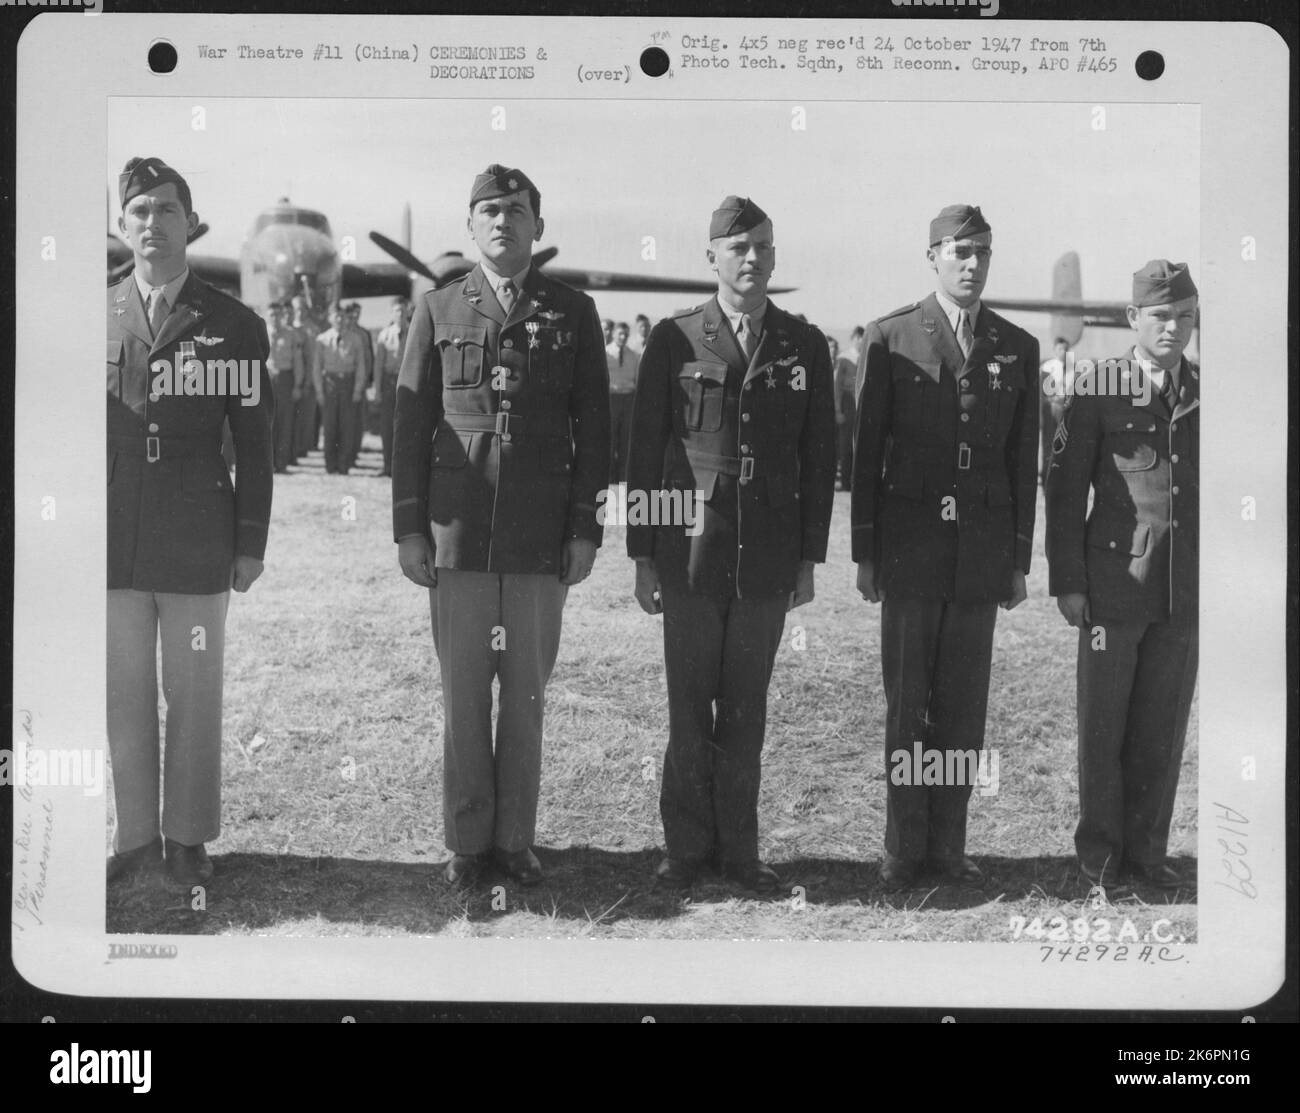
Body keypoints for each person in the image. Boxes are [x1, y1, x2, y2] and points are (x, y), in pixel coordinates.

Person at [392, 164, 610, 888]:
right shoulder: (438, 307)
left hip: (539, 534)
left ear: (537, 227)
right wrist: (409, 529)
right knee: (462, 693)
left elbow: (595, 429)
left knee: (525, 692)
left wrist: (586, 528)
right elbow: (410, 423)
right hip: (457, 533)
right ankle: (467, 840)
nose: (502, 220)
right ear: (471, 225)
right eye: (488, 209)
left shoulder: (571, 312)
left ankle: (514, 840)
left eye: (516, 210)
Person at [626, 196, 836, 892]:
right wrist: (642, 554)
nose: (753, 259)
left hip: (768, 556)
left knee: (747, 707)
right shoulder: (675, 339)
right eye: (739, 246)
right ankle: (685, 850)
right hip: (689, 553)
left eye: (764, 247)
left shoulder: (803, 344)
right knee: (690, 707)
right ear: (711, 255)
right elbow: (645, 448)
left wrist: (809, 557)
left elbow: (819, 455)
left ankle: (739, 854)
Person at [852, 204, 1039, 890]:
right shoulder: (893, 336)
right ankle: (904, 847)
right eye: (959, 250)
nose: (972, 263)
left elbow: (1023, 461)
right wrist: (866, 553)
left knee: (962, 708)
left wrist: (1018, 558)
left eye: (982, 252)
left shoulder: (1016, 344)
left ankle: (949, 845)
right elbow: (867, 451)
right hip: (909, 550)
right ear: (932, 255)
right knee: (909, 706)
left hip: (981, 554)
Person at [106, 157, 273, 887]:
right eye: (138, 209)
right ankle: (134, 836)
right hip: (113, 536)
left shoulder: (233, 323)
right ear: (121, 225)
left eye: (166, 209)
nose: (152, 223)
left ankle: (188, 838)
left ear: (189, 221)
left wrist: (250, 542)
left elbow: (259, 447)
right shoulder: (90, 312)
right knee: (123, 690)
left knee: (195, 691)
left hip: (199, 533)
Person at [1045, 260, 1199, 891]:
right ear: (1135, 318)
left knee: (1161, 727)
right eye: (1162, 316)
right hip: (1112, 586)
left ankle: (1148, 853)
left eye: (1186, 317)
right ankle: (1100, 858)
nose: (1174, 328)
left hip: (1181, 591)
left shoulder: (1201, 388)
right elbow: (1062, 491)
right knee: (1104, 725)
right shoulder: (1097, 385)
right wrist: (1069, 582)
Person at [312, 302, 366, 475]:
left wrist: (358, 389)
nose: (340, 319)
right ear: (330, 318)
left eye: (342, 316)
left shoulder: (355, 339)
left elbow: (361, 367)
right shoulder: (322, 340)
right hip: (330, 384)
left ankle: (343, 465)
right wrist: (319, 391)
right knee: (329, 426)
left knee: (346, 426)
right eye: (336, 316)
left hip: (348, 384)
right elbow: (316, 368)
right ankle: (330, 465)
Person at [266, 301, 306, 473]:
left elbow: (298, 362)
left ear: (283, 316)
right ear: (268, 316)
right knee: (267, 422)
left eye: (278, 315)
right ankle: (268, 464)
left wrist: (297, 384)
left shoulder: (291, 334)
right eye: (272, 315)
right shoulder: (261, 331)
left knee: (284, 422)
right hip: (266, 379)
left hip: (285, 379)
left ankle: (281, 463)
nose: (275, 318)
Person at [373, 295, 410, 477]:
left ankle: (402, 467)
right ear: (392, 313)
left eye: (403, 310)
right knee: (387, 426)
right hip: (389, 383)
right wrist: (377, 391)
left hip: (408, 383)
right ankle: (387, 465)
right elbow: (378, 365)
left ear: (408, 311)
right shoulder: (384, 335)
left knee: (405, 425)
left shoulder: (415, 332)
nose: (401, 314)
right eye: (397, 311)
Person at [606, 320, 640, 485]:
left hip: (628, 399)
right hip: (611, 398)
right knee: (610, 438)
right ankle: (609, 478)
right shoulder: (605, 353)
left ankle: (623, 478)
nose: (623, 337)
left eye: (626, 334)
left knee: (626, 439)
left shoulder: (633, 356)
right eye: (620, 333)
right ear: (614, 334)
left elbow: (636, 379)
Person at [290, 295, 320, 461]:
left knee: (305, 416)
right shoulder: (290, 327)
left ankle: (302, 447)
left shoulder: (312, 329)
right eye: (296, 309)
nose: (299, 313)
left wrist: (308, 381)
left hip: (307, 378)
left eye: (302, 309)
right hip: (292, 377)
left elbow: (312, 359)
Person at [1039, 336, 1071, 484]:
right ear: (1054, 350)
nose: (1063, 352)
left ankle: (1062, 475)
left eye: (1065, 349)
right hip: (1051, 407)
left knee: (1065, 443)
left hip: (1066, 409)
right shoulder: (1047, 367)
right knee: (1048, 442)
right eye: (1060, 349)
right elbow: (1041, 391)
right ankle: (1046, 473)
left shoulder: (1074, 368)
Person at [345, 302, 372, 469]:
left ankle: (354, 453)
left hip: (359, 382)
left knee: (357, 421)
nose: (355, 317)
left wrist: (367, 381)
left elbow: (369, 358)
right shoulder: (345, 334)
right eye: (352, 314)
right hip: (347, 380)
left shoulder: (364, 334)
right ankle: (345, 454)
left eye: (358, 314)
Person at [831, 333, 858, 490]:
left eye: (835, 348)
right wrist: (838, 410)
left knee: (846, 446)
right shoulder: (841, 363)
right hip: (839, 408)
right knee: (840, 446)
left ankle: (846, 481)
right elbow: (837, 388)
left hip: (845, 408)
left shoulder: (844, 362)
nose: (833, 351)